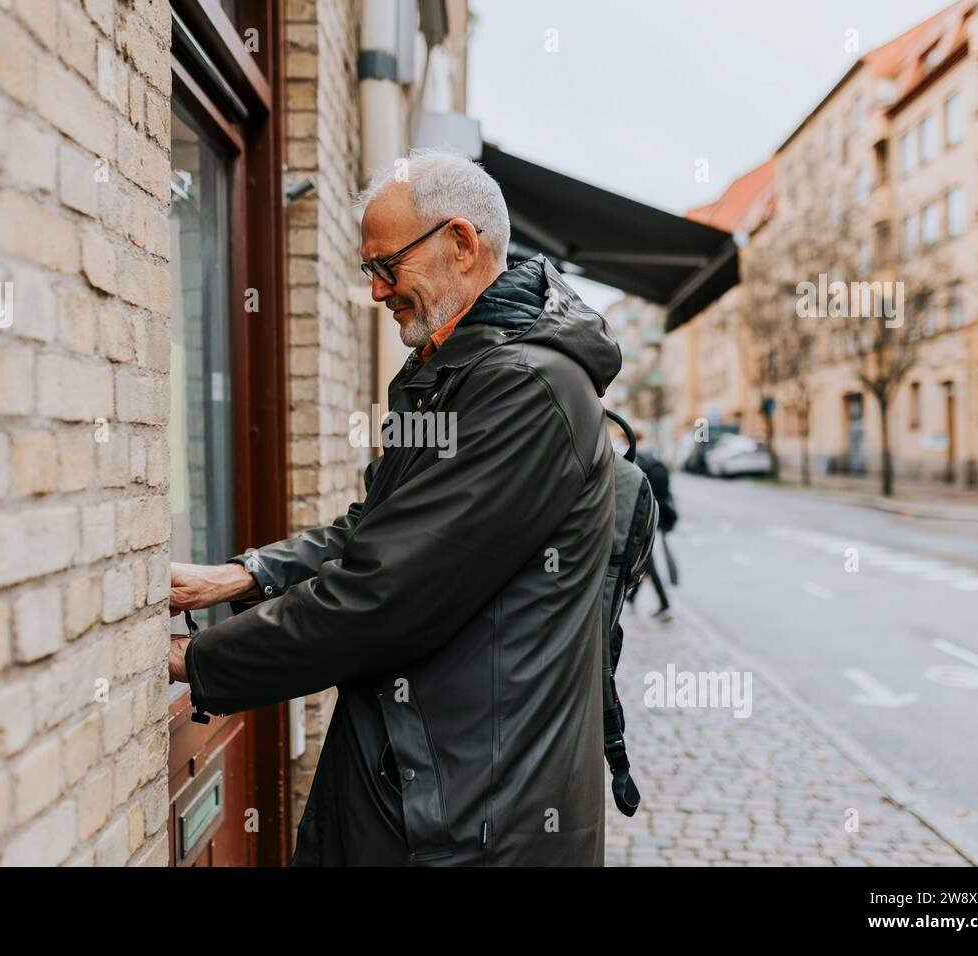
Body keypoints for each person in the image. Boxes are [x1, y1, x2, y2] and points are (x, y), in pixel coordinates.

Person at [168, 149, 623, 865]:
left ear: (462, 245)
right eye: (369, 273)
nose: (378, 293)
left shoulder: (522, 391)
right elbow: (376, 529)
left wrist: (195, 660)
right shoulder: (447, 373)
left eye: (386, 267)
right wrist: (242, 575)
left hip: (474, 817)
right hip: (426, 781)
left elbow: (389, 591)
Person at [629, 426, 678, 621]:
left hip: (643, 516)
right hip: (657, 513)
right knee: (645, 557)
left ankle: (665, 603)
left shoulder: (636, 456)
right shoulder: (652, 455)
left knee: (647, 561)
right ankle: (632, 597)